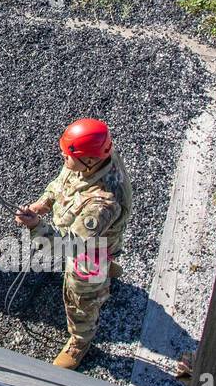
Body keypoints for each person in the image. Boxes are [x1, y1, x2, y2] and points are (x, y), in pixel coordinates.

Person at [15, 118, 131, 369]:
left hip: (89, 251)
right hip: (84, 235)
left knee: (80, 294)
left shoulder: (102, 204)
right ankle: (107, 273)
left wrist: (36, 227)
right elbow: (62, 183)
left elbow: (68, 247)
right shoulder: (92, 160)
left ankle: (81, 340)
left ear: (89, 160)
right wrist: (43, 204)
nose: (63, 158)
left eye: (68, 155)